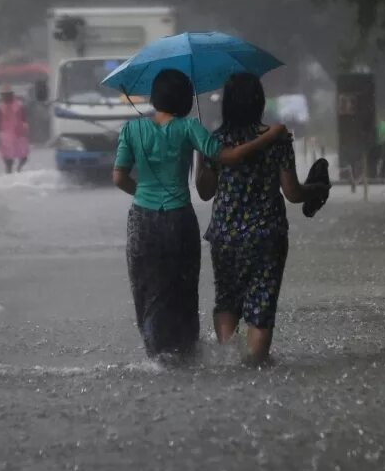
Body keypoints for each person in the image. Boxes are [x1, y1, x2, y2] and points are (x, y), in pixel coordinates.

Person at [112, 68, 287, 360]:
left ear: (155, 97)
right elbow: (229, 157)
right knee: (183, 290)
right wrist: (270, 136)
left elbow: (119, 177)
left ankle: (157, 356)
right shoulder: (190, 128)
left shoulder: (131, 130)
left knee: (147, 289)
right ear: (184, 100)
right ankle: (186, 354)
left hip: (142, 222)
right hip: (180, 219)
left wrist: (144, 196)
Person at [195, 72, 330, 363]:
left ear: (227, 105)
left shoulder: (216, 141)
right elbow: (292, 192)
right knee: (261, 304)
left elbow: (205, 192)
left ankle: (228, 362)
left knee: (227, 300)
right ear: (258, 103)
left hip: (225, 235)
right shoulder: (277, 140)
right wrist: (317, 189)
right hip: (266, 235)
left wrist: (200, 155)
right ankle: (254, 363)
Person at [0, 86, 29, 173]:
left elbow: (24, 118)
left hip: (18, 133)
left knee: (24, 156)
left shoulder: (19, 105)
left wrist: (25, 129)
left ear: (11, 95)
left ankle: (19, 169)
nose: (5, 97)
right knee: (7, 159)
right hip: (5, 135)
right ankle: (9, 173)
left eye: (7, 95)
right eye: (3, 95)